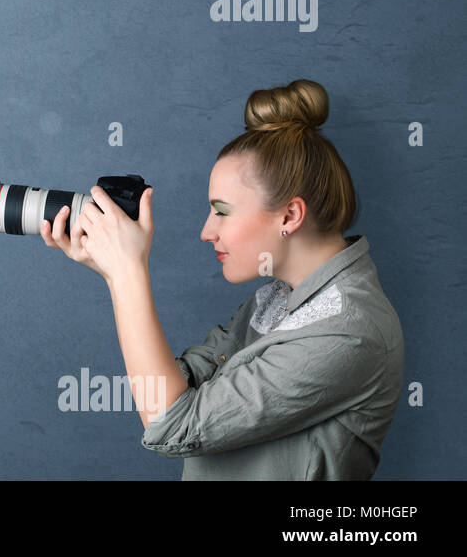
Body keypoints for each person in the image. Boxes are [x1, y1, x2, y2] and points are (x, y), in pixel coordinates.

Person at [38, 79, 404, 479]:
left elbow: (172, 425)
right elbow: (175, 386)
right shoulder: (279, 297)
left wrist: (127, 274)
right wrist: (114, 273)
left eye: (222, 211)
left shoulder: (347, 332)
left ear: (289, 216)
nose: (207, 231)